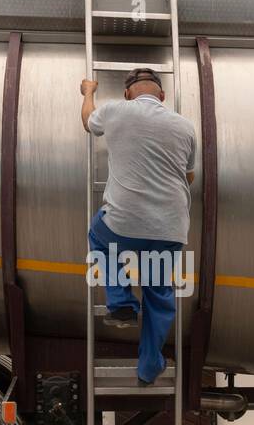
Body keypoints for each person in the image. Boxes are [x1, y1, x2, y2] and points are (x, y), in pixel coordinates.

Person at [80, 67, 196, 384]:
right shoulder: (185, 127)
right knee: (159, 295)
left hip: (124, 222)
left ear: (128, 94)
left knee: (98, 236)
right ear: (162, 96)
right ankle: (148, 367)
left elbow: (88, 121)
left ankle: (120, 301)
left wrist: (88, 91)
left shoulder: (116, 111)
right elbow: (189, 177)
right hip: (171, 228)